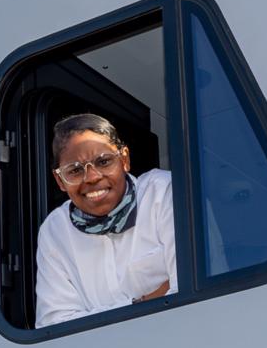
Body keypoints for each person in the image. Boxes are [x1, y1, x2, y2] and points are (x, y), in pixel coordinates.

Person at [35, 114, 176, 328]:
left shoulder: (163, 192)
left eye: (103, 161)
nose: (91, 177)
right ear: (60, 181)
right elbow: (54, 326)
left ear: (125, 159)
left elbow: (186, 296)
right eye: (74, 170)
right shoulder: (54, 231)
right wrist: (144, 301)